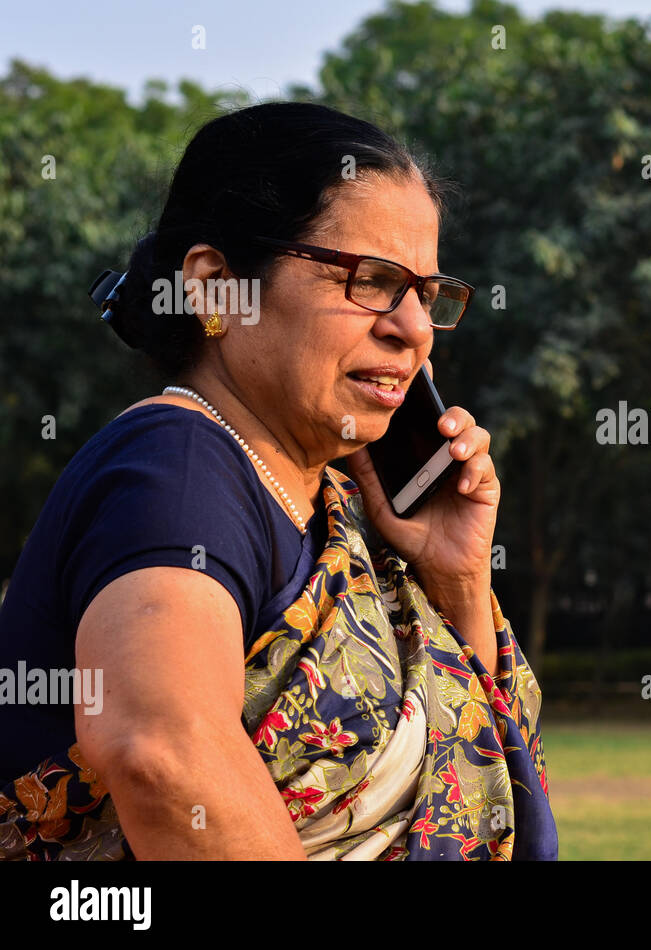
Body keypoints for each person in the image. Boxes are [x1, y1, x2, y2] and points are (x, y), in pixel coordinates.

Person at [0, 101, 557, 860]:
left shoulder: (339, 512)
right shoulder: (180, 466)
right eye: (372, 280)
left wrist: (454, 579)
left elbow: (494, 780)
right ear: (217, 285)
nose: (414, 329)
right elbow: (161, 752)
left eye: (426, 294)